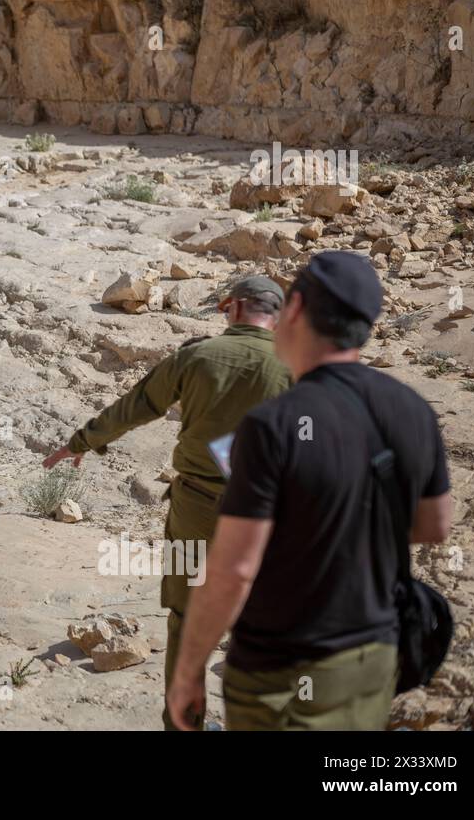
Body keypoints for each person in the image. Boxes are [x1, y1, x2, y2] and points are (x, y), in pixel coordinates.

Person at [166, 251, 454, 731]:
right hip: (366, 657)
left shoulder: (271, 426)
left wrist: (188, 672)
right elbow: (434, 526)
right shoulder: (413, 410)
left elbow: (234, 570)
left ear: (294, 310)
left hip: (276, 661)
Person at [44, 275, 292, 729]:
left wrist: (80, 443)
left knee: (188, 620)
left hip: (196, 507)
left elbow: (135, 406)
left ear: (233, 309)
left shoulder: (196, 357)